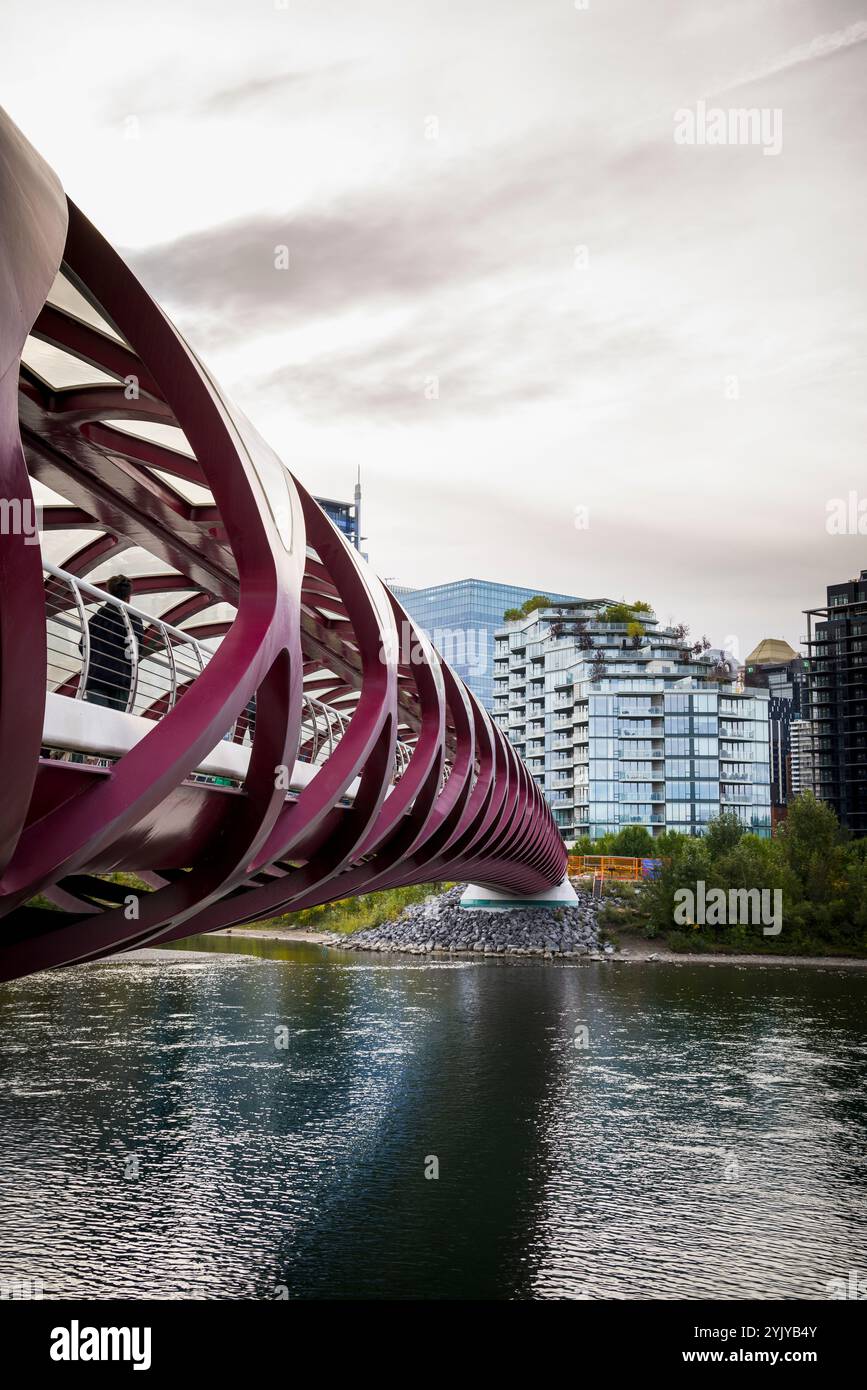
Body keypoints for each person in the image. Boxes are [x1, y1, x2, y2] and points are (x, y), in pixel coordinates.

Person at [82, 575, 144, 712]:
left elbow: (83, 646)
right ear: (129, 596)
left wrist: (96, 659)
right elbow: (136, 650)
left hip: (95, 678)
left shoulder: (96, 619)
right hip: (121, 680)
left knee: (98, 721)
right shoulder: (132, 619)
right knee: (118, 723)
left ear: (109, 593)